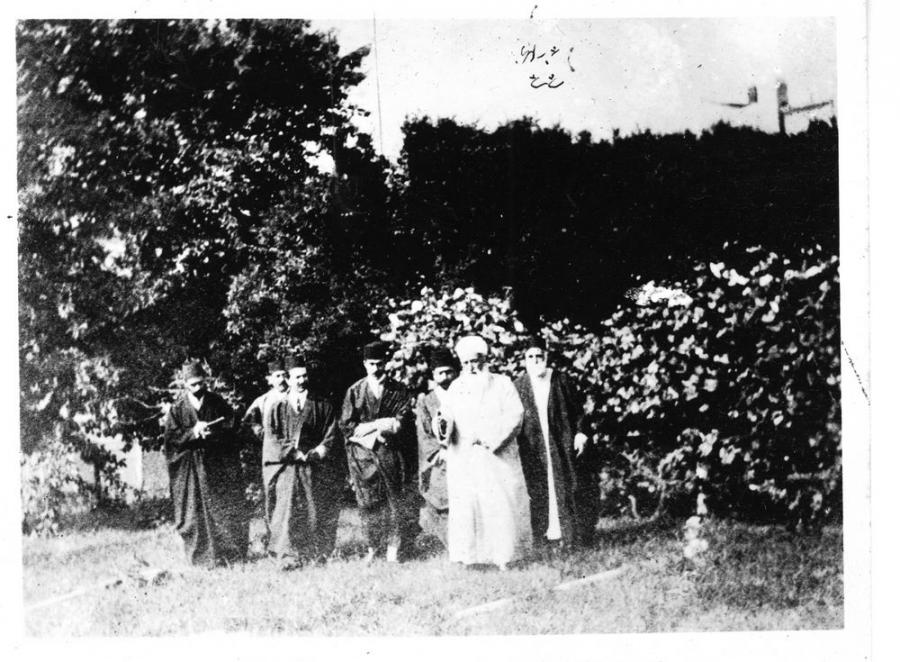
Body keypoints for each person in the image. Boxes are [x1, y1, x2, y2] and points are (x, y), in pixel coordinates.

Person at [440, 335, 532, 570]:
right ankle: (471, 559)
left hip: (496, 457)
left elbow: (515, 416)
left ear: (485, 359)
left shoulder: (502, 384)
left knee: (500, 504)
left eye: (476, 361)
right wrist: (441, 424)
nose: (472, 367)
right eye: (467, 363)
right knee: (469, 505)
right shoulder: (456, 387)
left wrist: (491, 439)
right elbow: (446, 416)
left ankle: (505, 557)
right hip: (465, 458)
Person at [514, 336, 597, 553]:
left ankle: (570, 537)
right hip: (534, 448)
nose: (535, 360)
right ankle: (544, 539)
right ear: (524, 359)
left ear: (546, 356)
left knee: (567, 487)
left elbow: (579, 410)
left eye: (538, 356)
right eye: (530, 356)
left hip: (561, 445)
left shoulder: (561, 380)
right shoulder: (519, 385)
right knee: (538, 490)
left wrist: (580, 433)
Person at [162, 361, 249, 567]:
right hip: (192, 468)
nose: (198, 388)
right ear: (185, 385)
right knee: (194, 512)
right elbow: (171, 441)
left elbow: (231, 426)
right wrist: (192, 432)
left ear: (206, 381)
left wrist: (214, 432)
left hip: (216, 464)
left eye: (201, 383)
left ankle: (229, 555)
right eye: (192, 385)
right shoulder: (178, 409)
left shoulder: (217, 402)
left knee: (223, 508)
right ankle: (202, 558)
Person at [339, 340, 417, 563]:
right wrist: (378, 425)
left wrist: (386, 425)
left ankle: (394, 549)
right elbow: (346, 426)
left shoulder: (399, 389)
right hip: (363, 456)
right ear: (365, 364)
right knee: (368, 503)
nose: (376, 368)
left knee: (394, 501)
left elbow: (400, 422)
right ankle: (374, 548)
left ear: (386, 364)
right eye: (371, 364)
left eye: (380, 363)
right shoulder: (355, 391)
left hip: (392, 453)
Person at [265, 354, 345, 569]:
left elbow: (331, 433)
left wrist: (318, 451)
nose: (301, 381)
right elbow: (272, 437)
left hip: (314, 467)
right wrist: (292, 452)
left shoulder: (322, 405)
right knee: (286, 510)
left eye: (304, 376)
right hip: (288, 467)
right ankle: (287, 556)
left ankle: (315, 554)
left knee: (315, 508)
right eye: (296, 377)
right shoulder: (278, 407)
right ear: (288, 379)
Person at [414, 346, 459, 549]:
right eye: (441, 373)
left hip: (464, 454)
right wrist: (440, 452)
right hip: (441, 459)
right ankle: (451, 545)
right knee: (442, 503)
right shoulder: (427, 401)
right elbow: (424, 433)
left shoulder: (464, 394)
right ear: (434, 375)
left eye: (450, 372)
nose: (446, 377)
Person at [242, 357, 289, 534]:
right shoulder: (263, 401)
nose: (281, 380)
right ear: (270, 379)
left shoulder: (297, 398)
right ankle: (272, 537)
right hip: (271, 457)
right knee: (272, 495)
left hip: (295, 455)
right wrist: (261, 433)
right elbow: (249, 423)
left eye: (284, 375)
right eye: (277, 376)